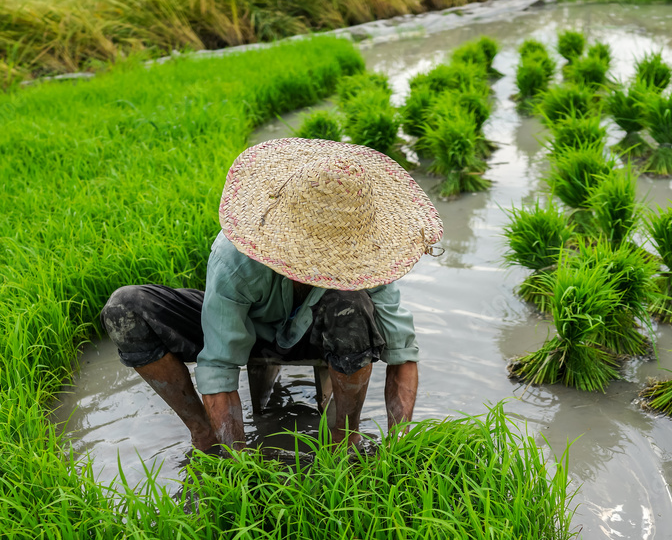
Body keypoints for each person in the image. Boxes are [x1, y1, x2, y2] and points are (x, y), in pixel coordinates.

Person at [99, 138, 443, 452]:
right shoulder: (236, 256)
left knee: (350, 304)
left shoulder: (369, 254)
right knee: (125, 310)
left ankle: (343, 439)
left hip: (320, 334)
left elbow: (401, 353)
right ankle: (203, 434)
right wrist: (238, 464)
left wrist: (401, 445)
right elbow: (219, 364)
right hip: (252, 328)